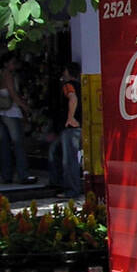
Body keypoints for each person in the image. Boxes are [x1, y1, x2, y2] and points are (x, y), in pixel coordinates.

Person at [0, 53, 37, 184]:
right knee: (18, 144)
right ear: (6, 63)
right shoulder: (8, 74)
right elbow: (13, 94)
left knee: (4, 144)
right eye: (13, 62)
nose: (14, 65)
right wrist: (25, 107)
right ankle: (23, 174)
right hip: (9, 112)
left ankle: (6, 174)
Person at [55, 63, 82, 198]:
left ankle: (71, 190)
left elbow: (73, 98)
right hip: (80, 126)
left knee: (69, 160)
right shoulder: (82, 85)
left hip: (71, 128)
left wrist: (70, 118)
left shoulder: (68, 86)